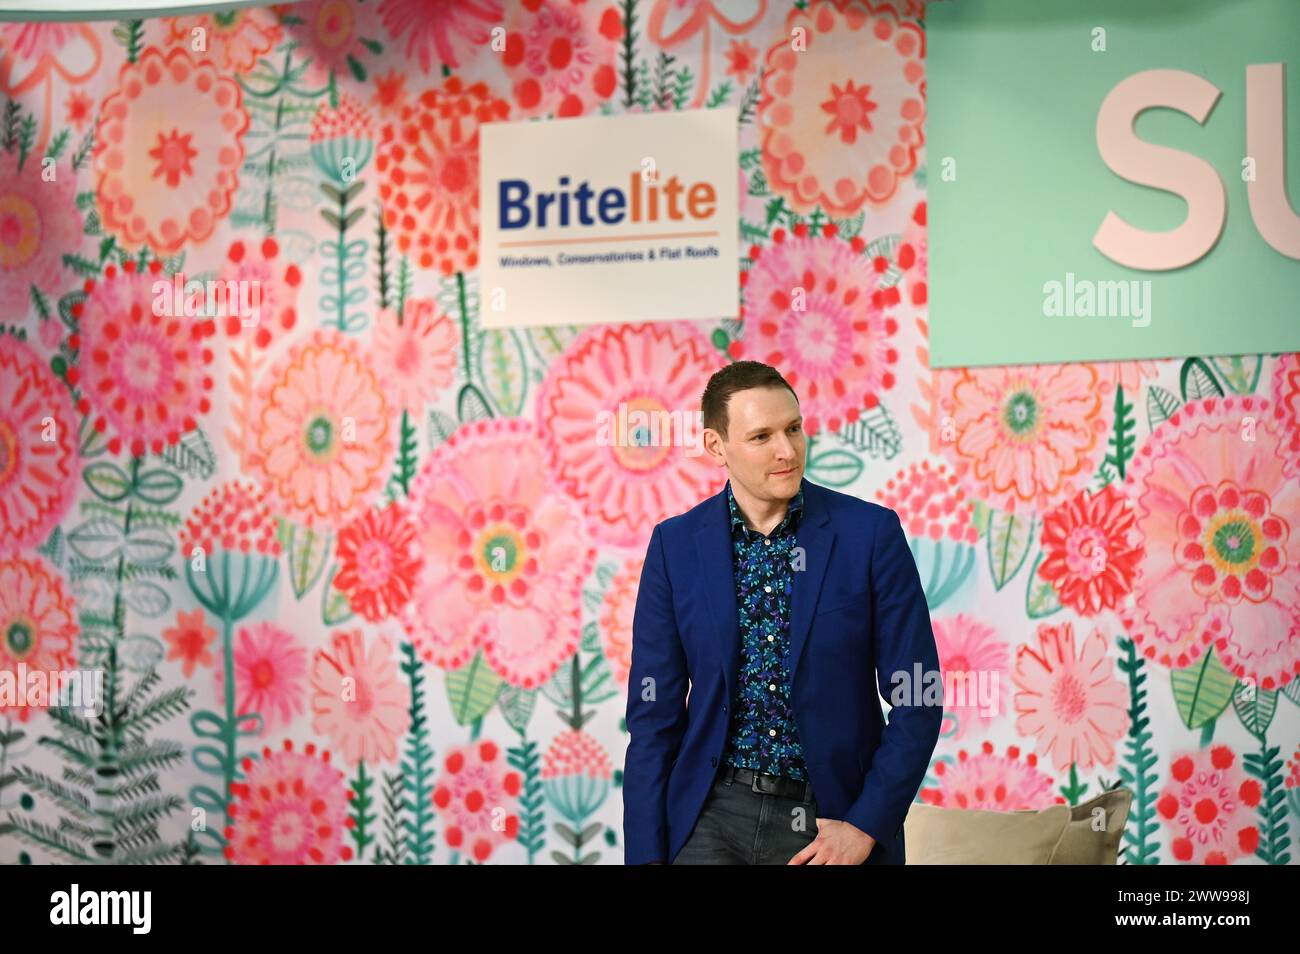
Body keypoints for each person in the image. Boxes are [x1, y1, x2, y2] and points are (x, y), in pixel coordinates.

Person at [623, 360, 943, 865]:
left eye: (794, 428)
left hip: (830, 821)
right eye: (761, 436)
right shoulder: (674, 547)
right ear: (716, 447)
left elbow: (919, 698)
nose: (787, 451)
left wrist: (865, 827)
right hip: (709, 818)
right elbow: (653, 721)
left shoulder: (871, 536)